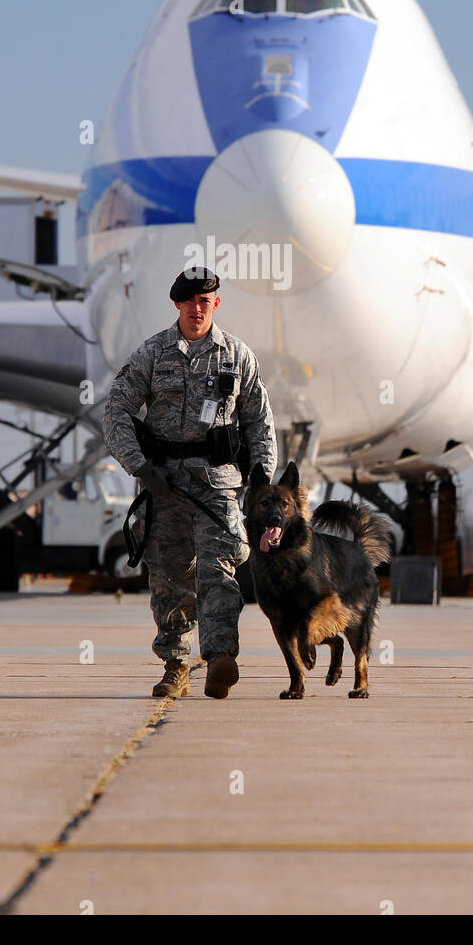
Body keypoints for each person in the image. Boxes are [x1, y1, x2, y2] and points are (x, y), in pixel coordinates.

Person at [104, 267, 277, 699]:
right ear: (177, 305)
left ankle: (220, 657)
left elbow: (259, 422)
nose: (197, 309)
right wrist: (140, 466)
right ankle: (176, 666)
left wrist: (261, 478)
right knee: (170, 579)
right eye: (190, 302)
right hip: (164, 487)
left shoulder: (237, 357)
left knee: (219, 573)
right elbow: (116, 412)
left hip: (218, 486)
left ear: (215, 305)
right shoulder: (153, 354)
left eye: (205, 302)